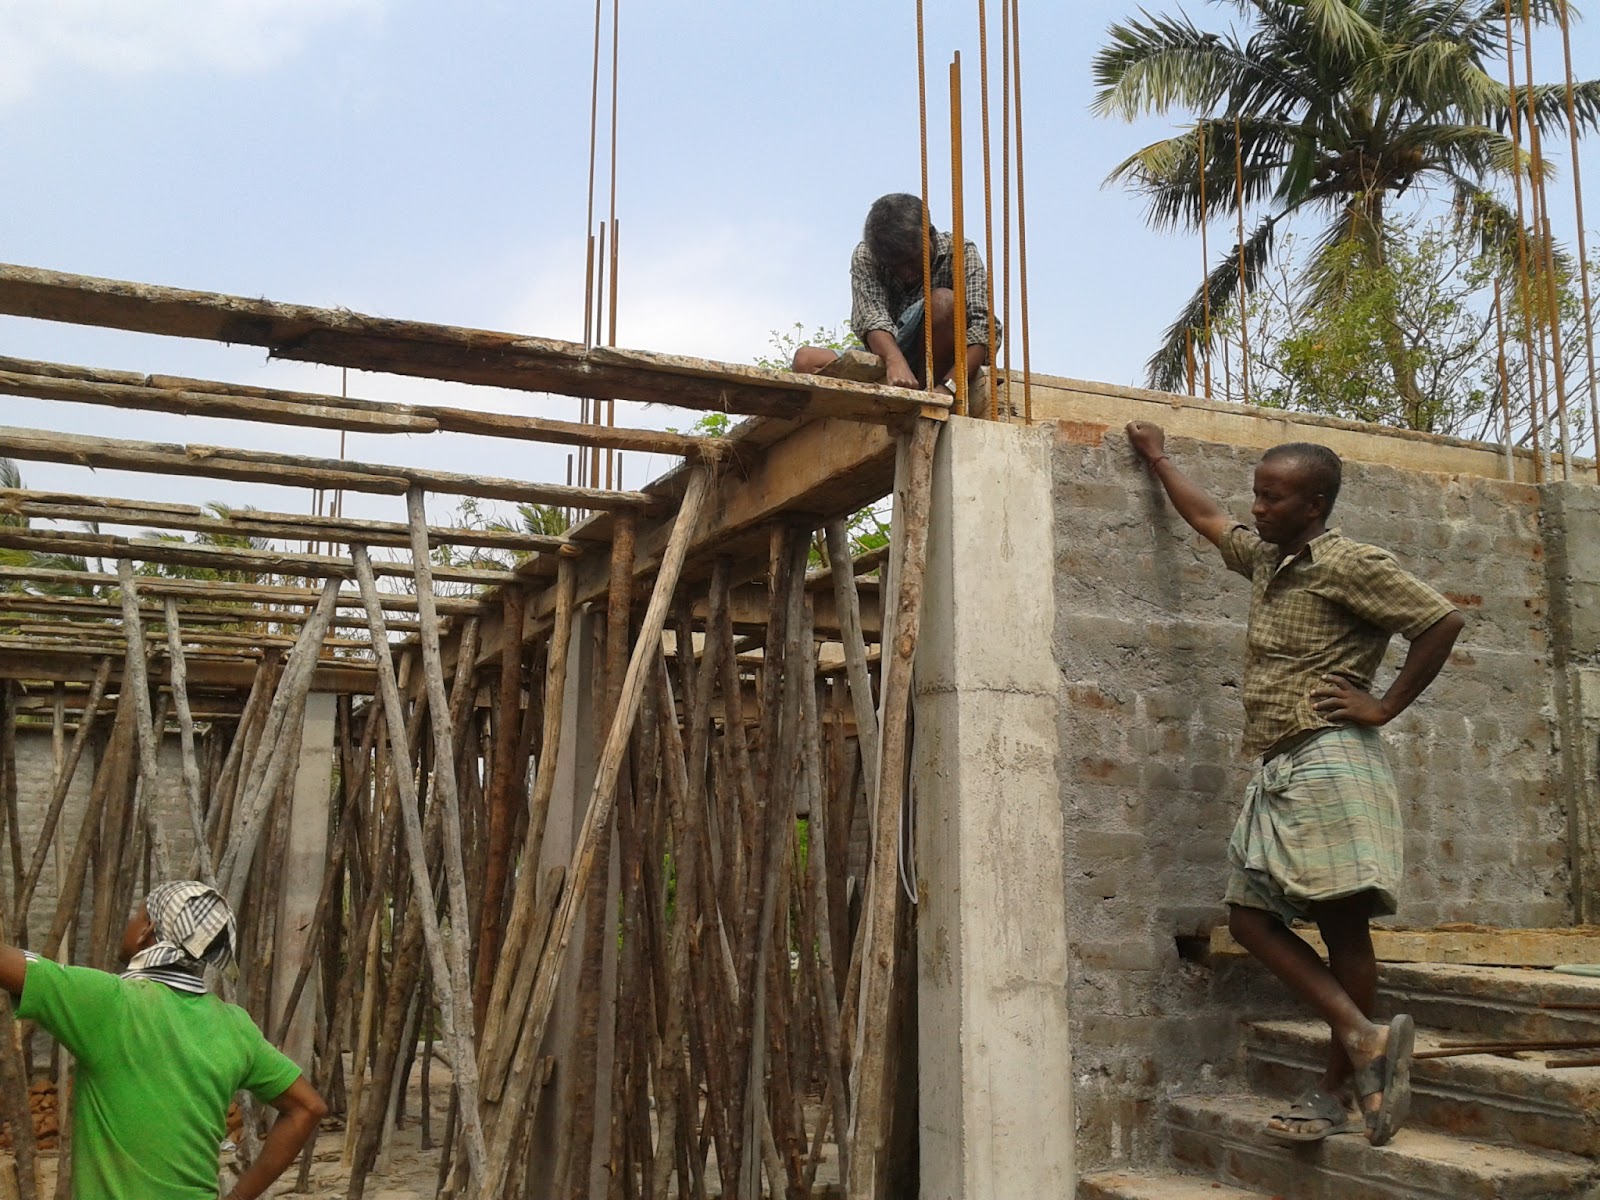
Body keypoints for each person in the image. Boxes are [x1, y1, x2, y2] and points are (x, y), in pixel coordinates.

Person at [1125, 422, 1465, 1148]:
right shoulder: (1269, 560)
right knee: (1250, 919)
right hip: (1282, 764)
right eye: (1257, 494)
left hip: (1330, 755)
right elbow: (1209, 519)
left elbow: (1440, 620)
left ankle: (1341, 1088)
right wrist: (1158, 458)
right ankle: (1363, 1037)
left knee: (1343, 925)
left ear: (1315, 505)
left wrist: (1384, 705)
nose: (1258, 508)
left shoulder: (1350, 563)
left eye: (1273, 498)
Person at [0, 880, 327, 1199]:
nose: (130, 923)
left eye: (137, 915)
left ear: (147, 930)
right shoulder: (234, 1026)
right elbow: (307, 1107)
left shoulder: (111, 1003)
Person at [791, 192, 999, 397]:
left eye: (912, 261)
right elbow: (872, 318)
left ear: (930, 234)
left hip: (943, 369)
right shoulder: (867, 255)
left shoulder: (961, 252)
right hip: (887, 352)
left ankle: (927, 394)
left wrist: (948, 387)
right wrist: (894, 361)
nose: (906, 273)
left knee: (944, 302)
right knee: (805, 360)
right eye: (895, 267)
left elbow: (983, 330)